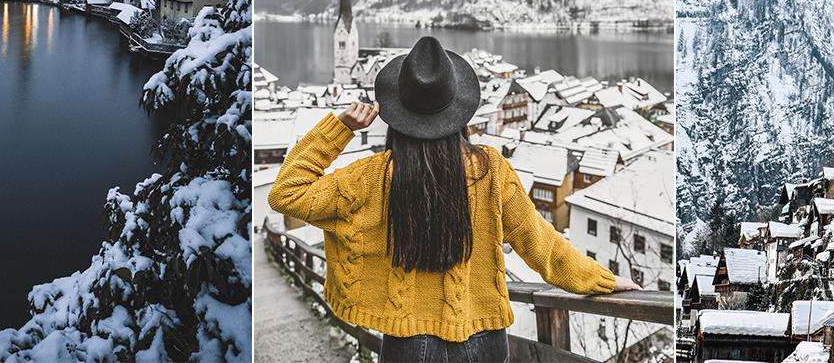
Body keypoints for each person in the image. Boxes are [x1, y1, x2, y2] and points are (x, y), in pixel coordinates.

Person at [269, 36, 640, 363]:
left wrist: (341, 128)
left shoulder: (371, 178)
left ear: (397, 113)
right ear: (458, 110)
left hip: (409, 344)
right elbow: (541, 244)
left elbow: (286, 193)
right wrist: (601, 280)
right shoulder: (491, 171)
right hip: (486, 342)